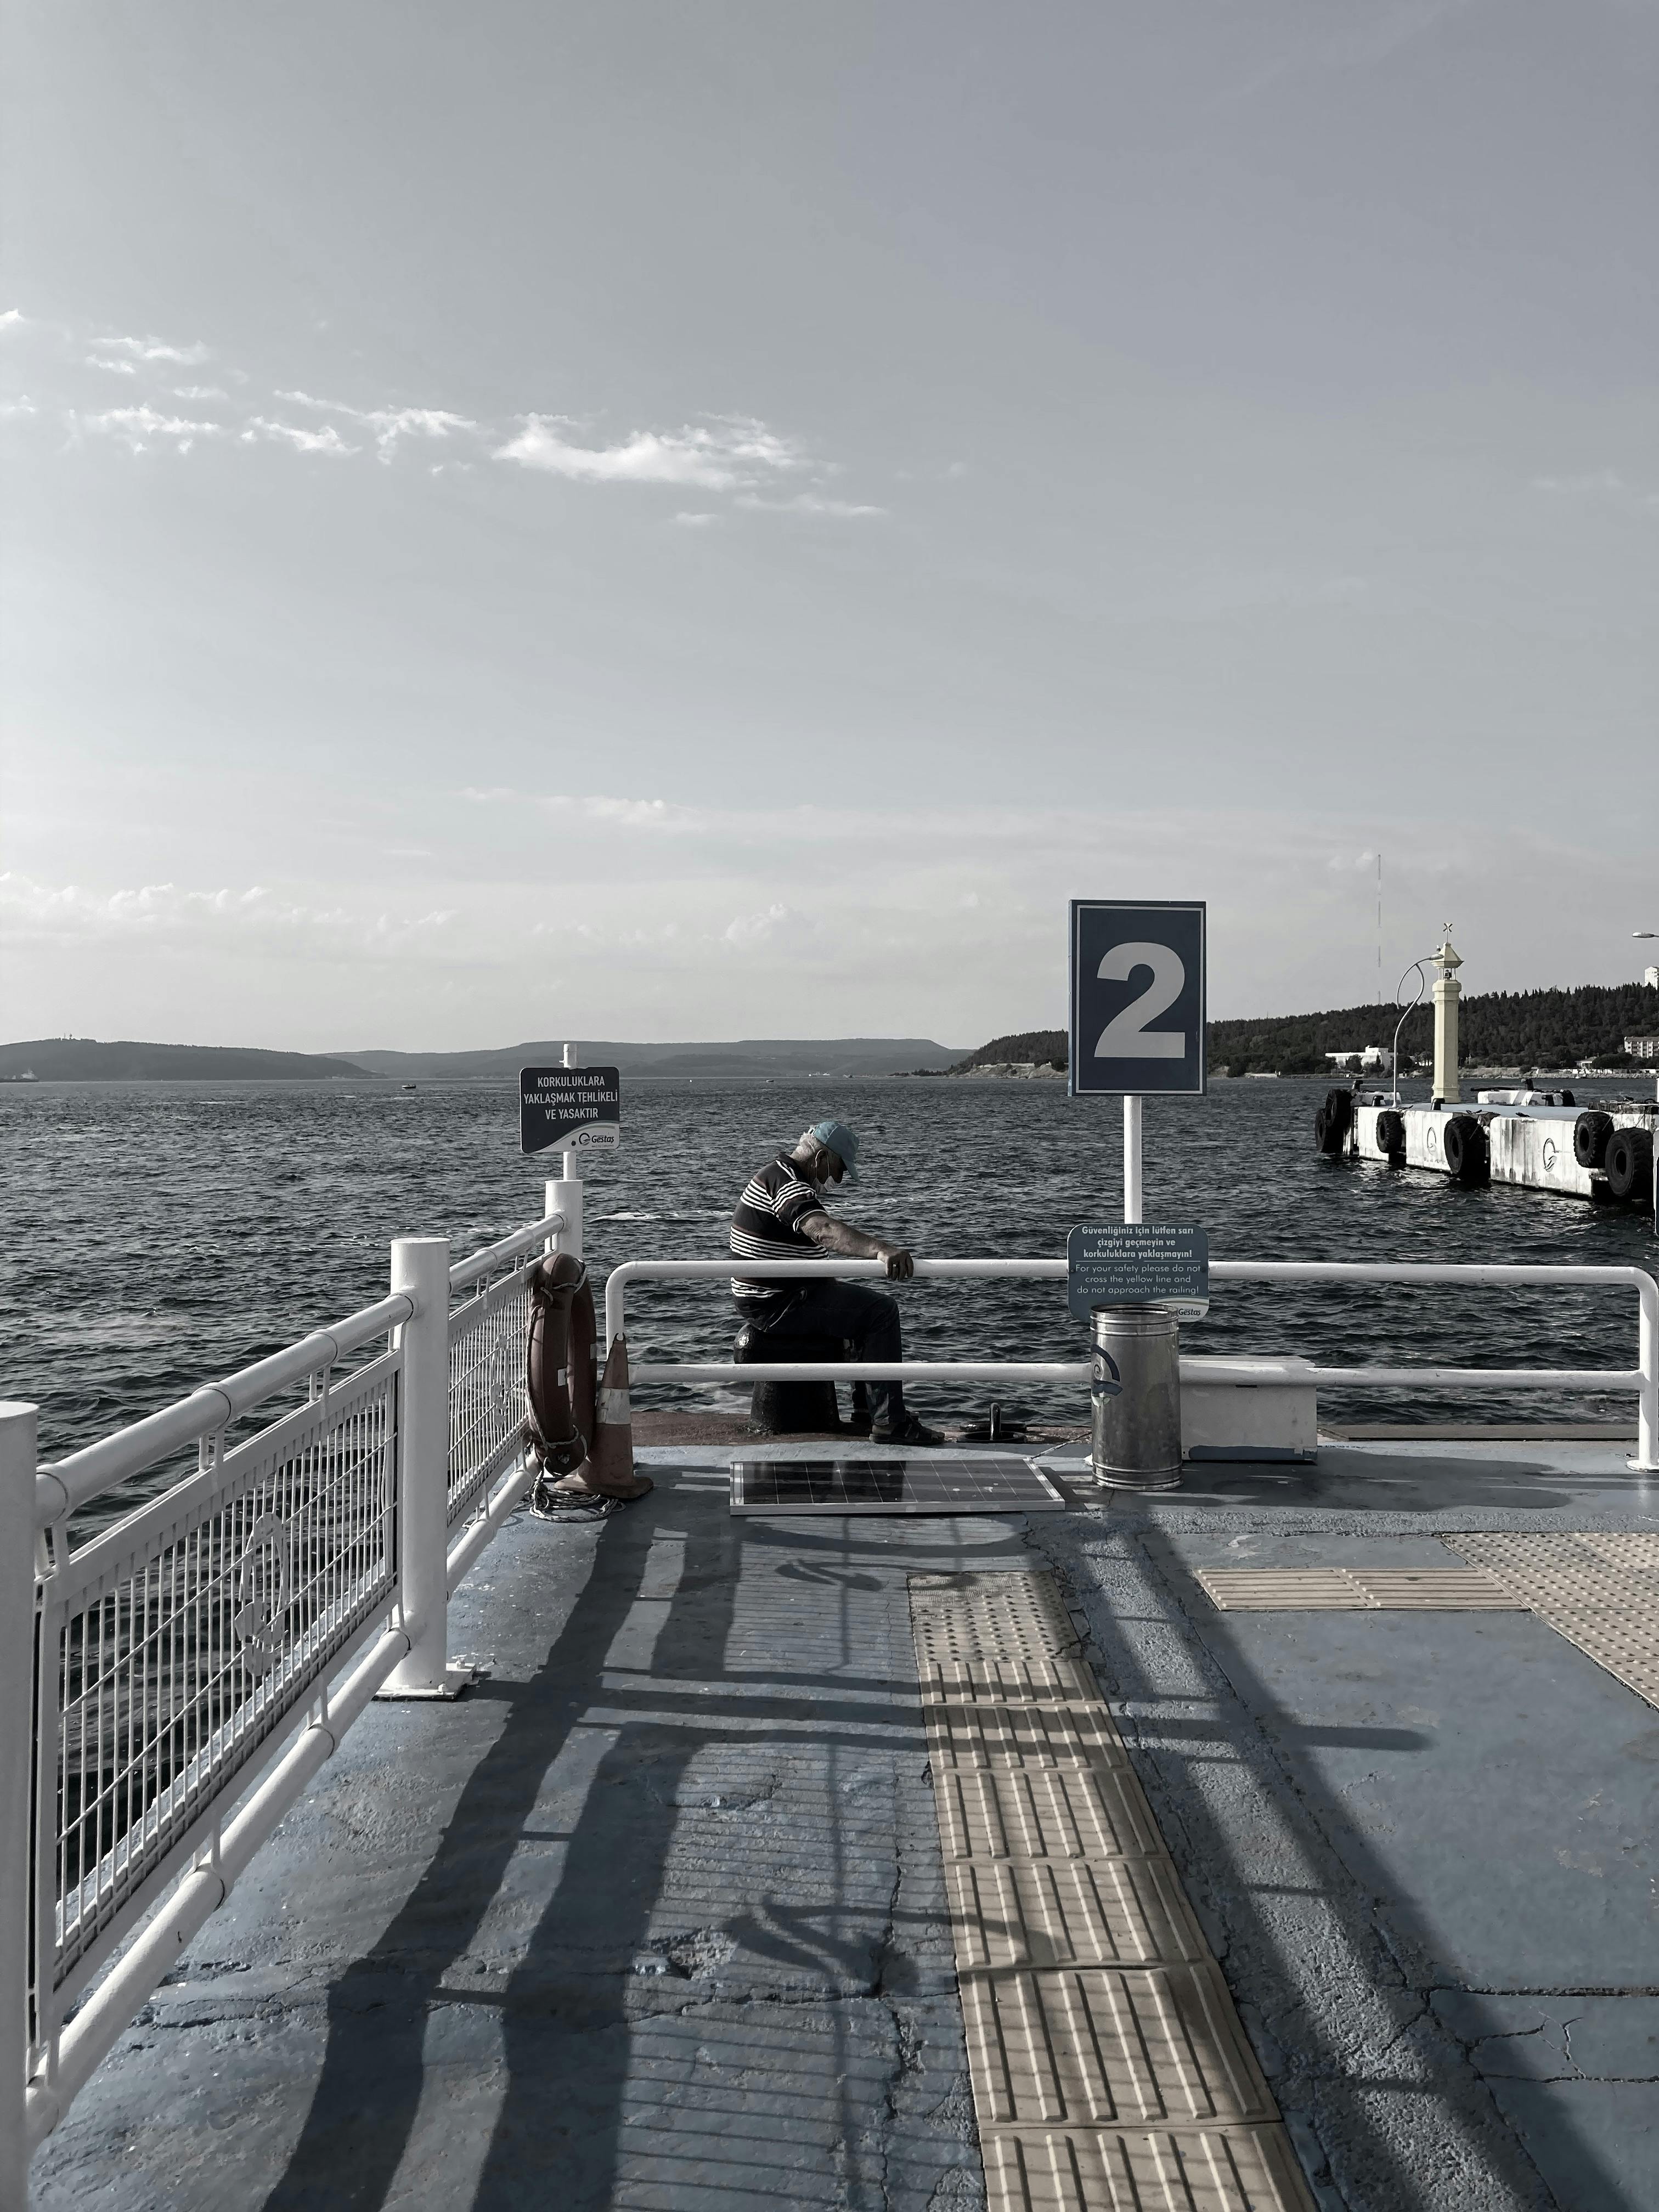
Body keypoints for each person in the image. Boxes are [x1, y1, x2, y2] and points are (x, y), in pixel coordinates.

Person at [730, 1118, 944, 1446]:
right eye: (840, 1169)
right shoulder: (789, 1184)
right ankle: (889, 1423)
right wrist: (880, 1249)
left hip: (776, 1295)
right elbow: (822, 1230)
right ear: (821, 1159)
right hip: (776, 1303)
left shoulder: (775, 1174)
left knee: (859, 1307)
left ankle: (870, 1411)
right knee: (881, 1312)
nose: (839, 1180)